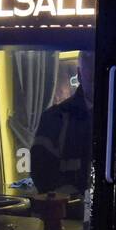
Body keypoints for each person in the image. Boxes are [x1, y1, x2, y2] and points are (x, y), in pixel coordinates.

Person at [32, 51, 94, 195]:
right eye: (93, 77)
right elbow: (42, 176)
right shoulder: (53, 120)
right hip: (70, 216)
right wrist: (79, 203)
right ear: (79, 75)